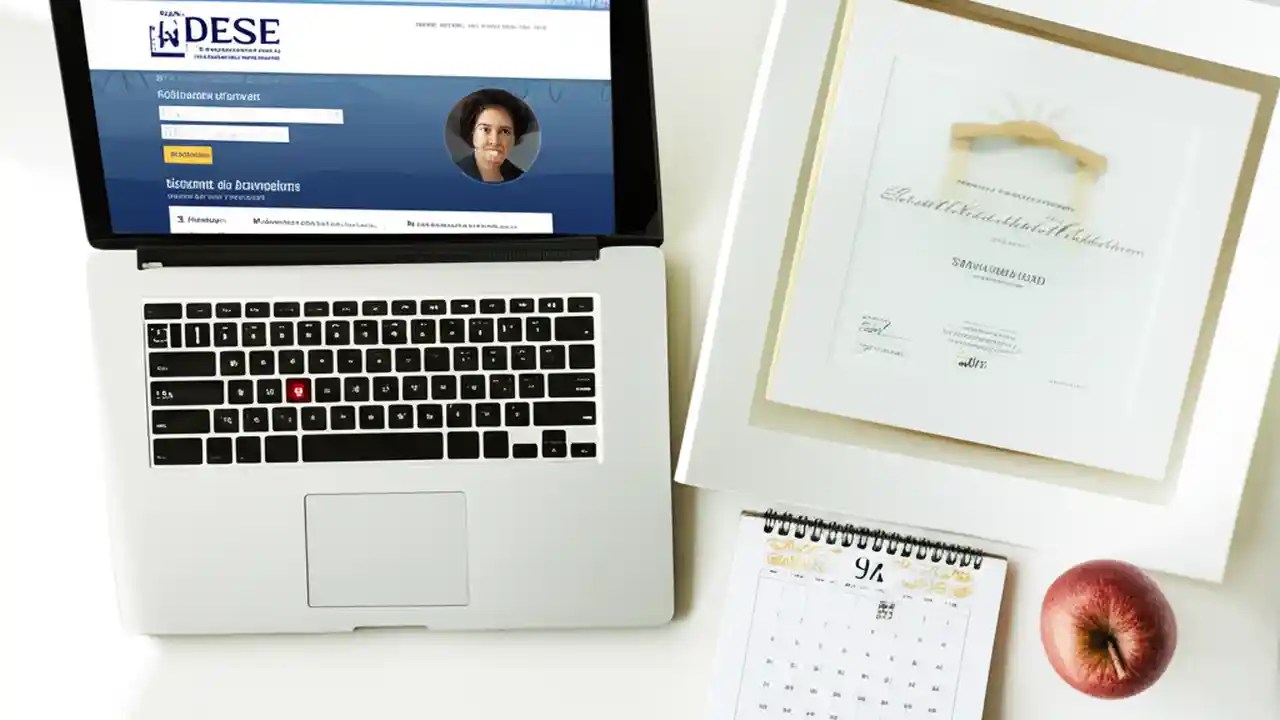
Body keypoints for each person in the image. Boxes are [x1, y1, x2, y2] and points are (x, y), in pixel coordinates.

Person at [453, 88, 534, 184]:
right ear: (472, 132)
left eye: (504, 131)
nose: (495, 141)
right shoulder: (455, 174)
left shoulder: (520, 176)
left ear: (514, 137)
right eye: (486, 129)